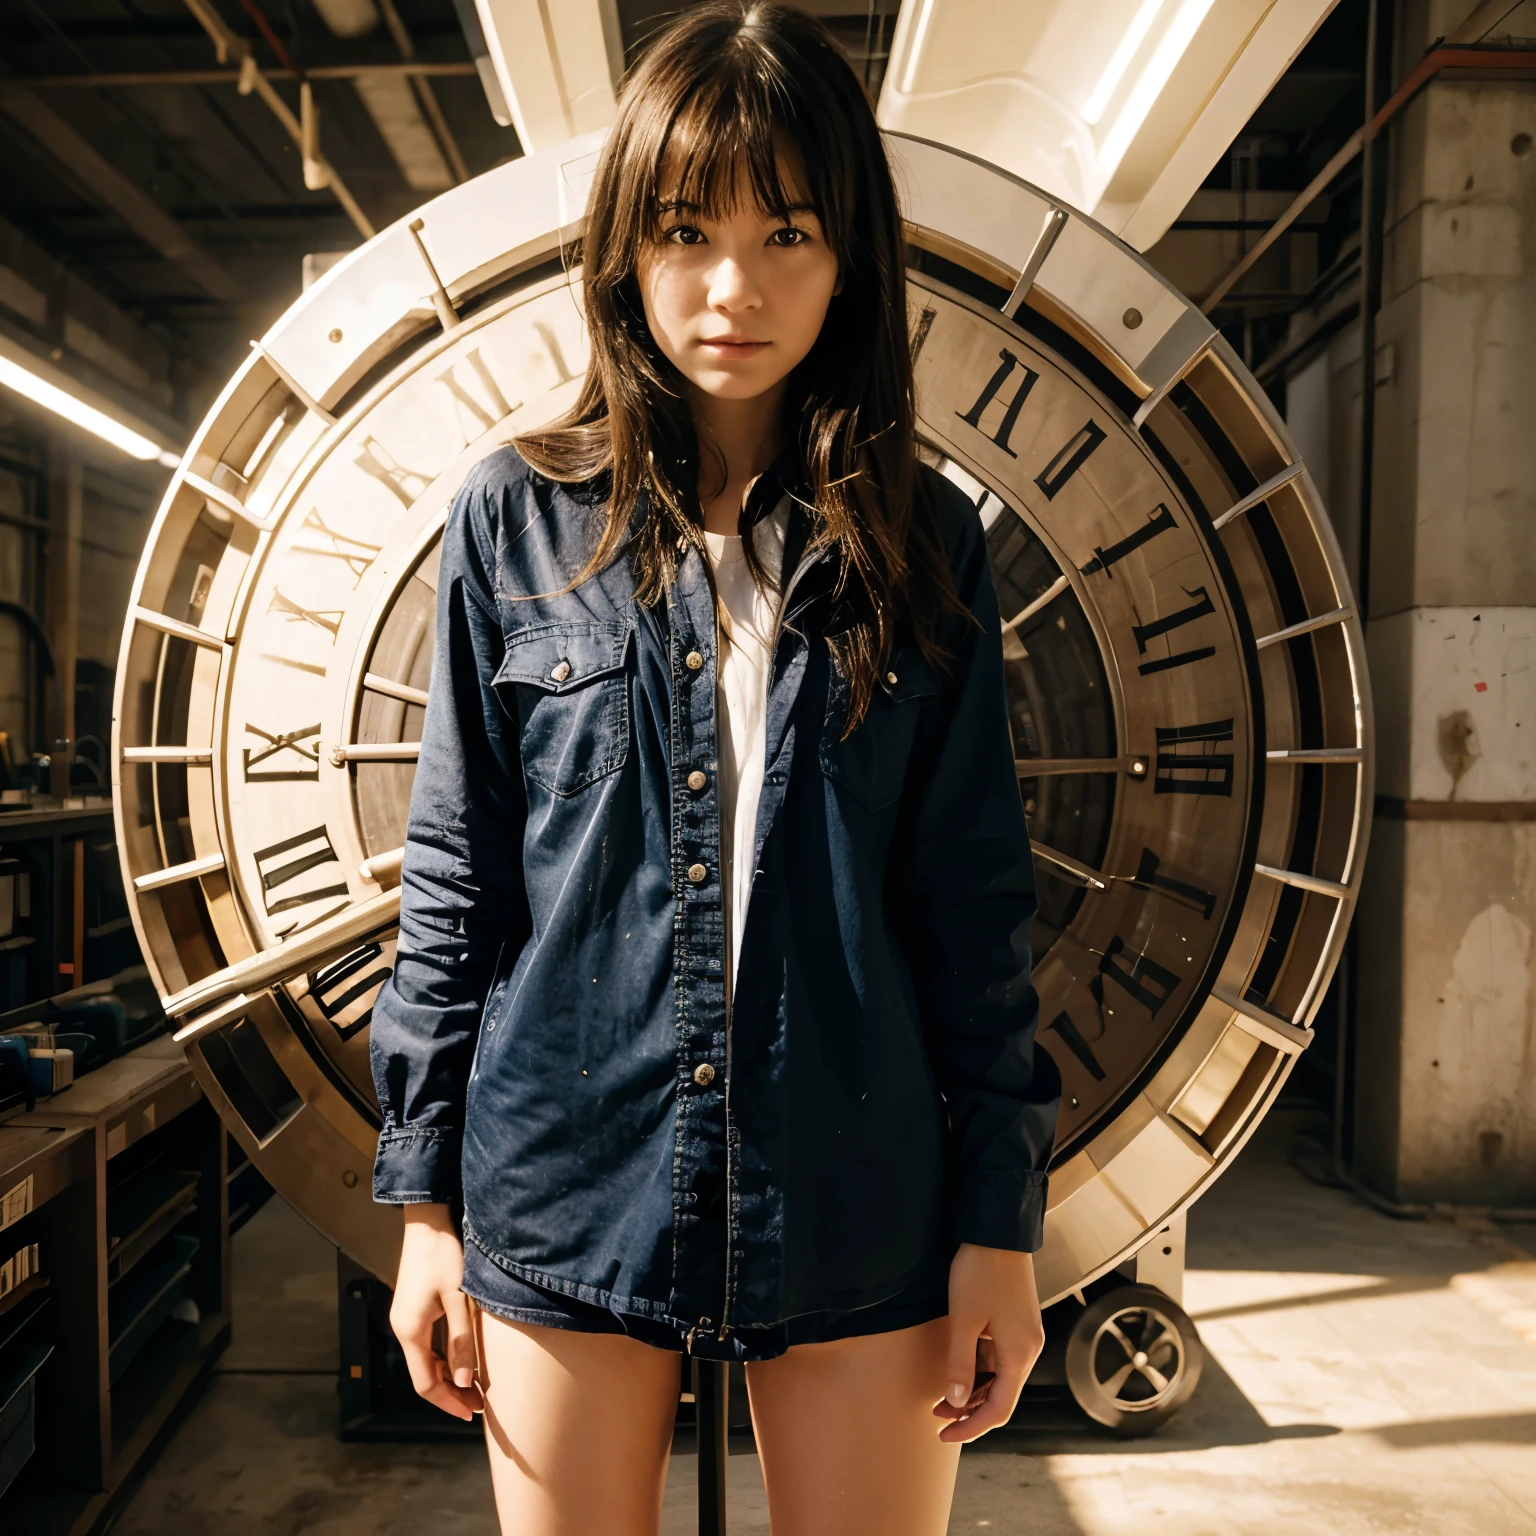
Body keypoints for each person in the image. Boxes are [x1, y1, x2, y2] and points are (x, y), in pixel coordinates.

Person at [368, 4, 1061, 1531]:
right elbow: (457, 882)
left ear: (853, 259)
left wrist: (997, 1219)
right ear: (626, 246)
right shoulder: (512, 523)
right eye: (685, 229)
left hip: (859, 1184)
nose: (732, 286)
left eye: (789, 232)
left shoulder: (926, 545)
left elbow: (970, 902)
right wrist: (421, 1205)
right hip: (565, 1173)